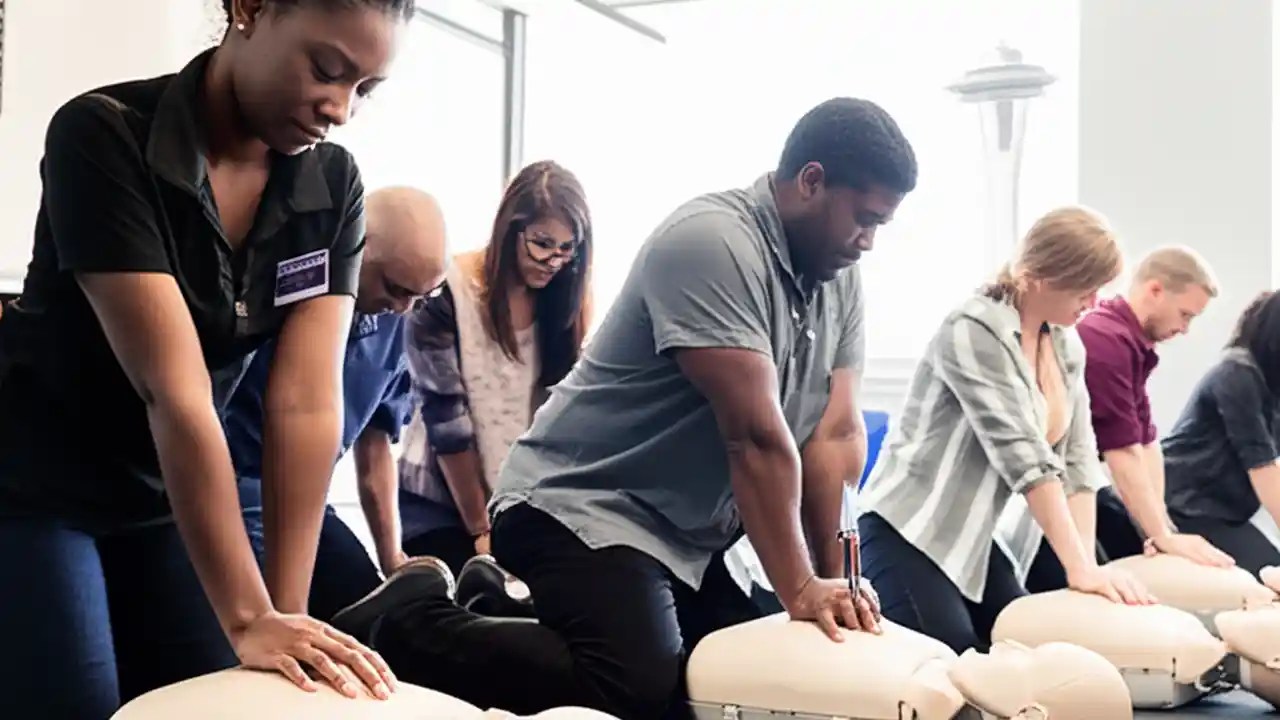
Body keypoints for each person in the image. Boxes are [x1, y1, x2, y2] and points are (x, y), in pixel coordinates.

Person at [330, 97, 917, 720]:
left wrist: (836, 584)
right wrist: (800, 587)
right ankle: (408, 622)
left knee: (731, 672)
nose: (869, 241)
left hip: (683, 536)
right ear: (812, 181)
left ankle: (510, 608)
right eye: (864, 219)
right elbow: (753, 435)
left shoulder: (839, 280)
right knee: (635, 683)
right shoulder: (713, 243)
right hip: (578, 504)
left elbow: (834, 434)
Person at [0, 1, 415, 716]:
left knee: (227, 693)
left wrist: (285, 613)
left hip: (163, 497)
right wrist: (248, 618)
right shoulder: (103, 134)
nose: (340, 109)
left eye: (364, 89)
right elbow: (176, 390)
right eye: (326, 70)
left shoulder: (330, 185)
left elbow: (306, 403)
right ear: (249, 8)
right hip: (36, 489)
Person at [856, 207, 1156, 656]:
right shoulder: (975, 328)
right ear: (1042, 276)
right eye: (1085, 287)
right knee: (955, 654)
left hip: (972, 538)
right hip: (906, 528)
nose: (1094, 302)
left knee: (1028, 646)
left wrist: (1086, 568)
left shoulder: (1065, 343)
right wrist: (1079, 569)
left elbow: (1077, 461)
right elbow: (1026, 458)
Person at [227, 186, 449, 622]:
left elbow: (375, 448)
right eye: (395, 288)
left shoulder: (395, 325)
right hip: (230, 488)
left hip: (307, 500)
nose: (403, 308)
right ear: (355, 248)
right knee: (280, 630)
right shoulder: (283, 288)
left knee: (374, 616)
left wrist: (393, 559)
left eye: (422, 297)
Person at [382, 161, 593, 582]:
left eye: (568, 249)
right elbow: (448, 423)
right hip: (440, 502)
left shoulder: (564, 301)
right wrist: (481, 528)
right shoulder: (446, 291)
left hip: (516, 502)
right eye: (542, 243)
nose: (554, 260)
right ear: (510, 230)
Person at [1020, 247, 1230, 592]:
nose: (1185, 329)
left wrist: (1161, 530)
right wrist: (1159, 534)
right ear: (1155, 290)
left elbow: (1146, 444)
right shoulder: (1105, 341)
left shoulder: (1134, 345)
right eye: (1185, 315)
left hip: (1078, 479)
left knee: (1132, 545)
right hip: (1041, 488)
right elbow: (1122, 454)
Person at [1162, 290, 1280, 576]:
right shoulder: (1237, 373)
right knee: (1269, 579)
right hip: (1186, 506)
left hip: (1226, 512)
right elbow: (1261, 465)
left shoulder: (1271, 384)